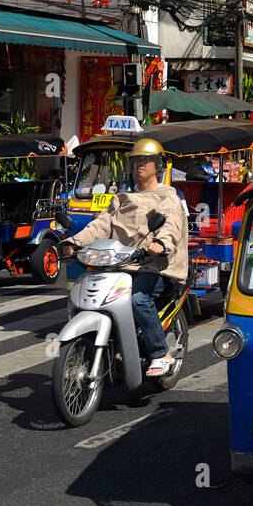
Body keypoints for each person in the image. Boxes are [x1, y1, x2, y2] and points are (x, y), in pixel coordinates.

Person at [61, 138, 188, 376]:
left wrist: (160, 243)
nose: (140, 163)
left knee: (138, 299)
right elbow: (99, 226)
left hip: (154, 267)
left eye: (146, 159)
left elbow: (170, 225)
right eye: (136, 159)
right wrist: (73, 242)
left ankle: (161, 353)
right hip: (119, 265)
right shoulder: (121, 199)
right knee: (84, 294)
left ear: (157, 164)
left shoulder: (167, 197)